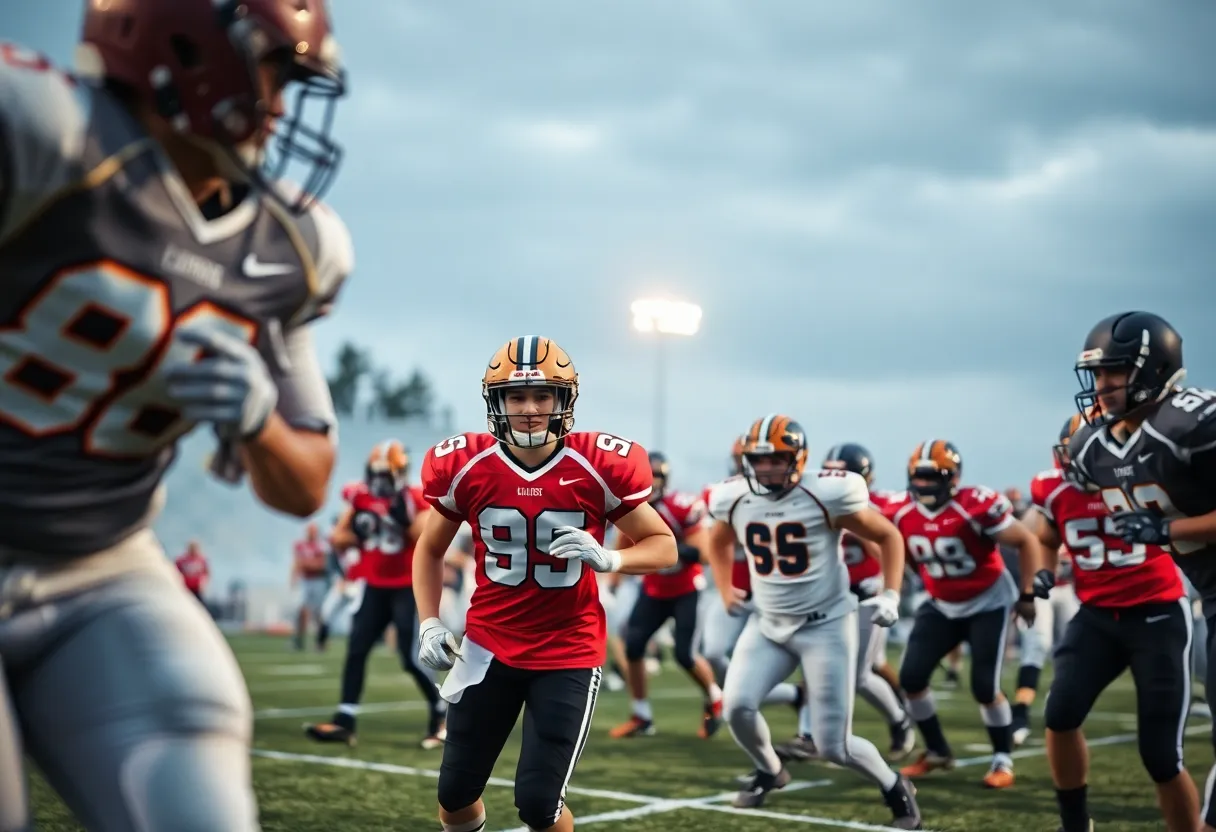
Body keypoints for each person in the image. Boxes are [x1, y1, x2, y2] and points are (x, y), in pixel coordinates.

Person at [0, 1, 351, 828]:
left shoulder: (291, 245)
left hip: (101, 565)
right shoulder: (44, 131)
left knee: (197, 770)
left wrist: (259, 420)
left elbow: (303, 484)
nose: (280, 105)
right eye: (273, 72)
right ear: (187, 49)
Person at [411, 335, 677, 832]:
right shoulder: (467, 465)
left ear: (564, 400)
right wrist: (429, 622)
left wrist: (611, 557)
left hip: (567, 650)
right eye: (516, 396)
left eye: (542, 396)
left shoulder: (596, 464)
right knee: (453, 793)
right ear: (497, 403)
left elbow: (664, 544)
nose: (530, 408)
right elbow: (429, 549)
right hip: (487, 644)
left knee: (538, 802)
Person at [704, 414, 921, 828]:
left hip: (825, 626)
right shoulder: (733, 497)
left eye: (777, 459)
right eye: (758, 459)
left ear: (799, 458)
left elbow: (888, 535)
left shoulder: (826, 494)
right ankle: (770, 769)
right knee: (736, 708)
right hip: (768, 623)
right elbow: (717, 538)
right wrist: (724, 587)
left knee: (833, 745)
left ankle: (895, 787)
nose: (766, 469)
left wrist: (892, 593)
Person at [1066, 311, 1214, 829]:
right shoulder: (1092, 446)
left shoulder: (1192, 422)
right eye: (1098, 374)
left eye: (1116, 371)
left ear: (1155, 368)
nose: (1102, 386)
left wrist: (1167, 533)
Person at [1026, 410, 1198, 832]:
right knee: (1060, 715)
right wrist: (1045, 568)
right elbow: (1047, 536)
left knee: (1161, 756)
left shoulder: (1144, 477)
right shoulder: (1051, 488)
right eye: (1070, 453)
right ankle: (1074, 823)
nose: (1074, 462)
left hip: (1156, 613)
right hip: (1096, 615)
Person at [890, 440, 1048, 789]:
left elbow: (1027, 542)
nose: (926, 484)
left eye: (934, 476)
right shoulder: (901, 511)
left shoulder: (974, 505)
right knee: (912, 679)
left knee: (984, 687)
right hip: (942, 603)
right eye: (920, 476)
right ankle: (936, 751)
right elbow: (898, 550)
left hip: (988, 602)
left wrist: (1027, 594)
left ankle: (1002, 759)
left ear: (953, 478)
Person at [305, 440, 446, 749]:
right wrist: (358, 531)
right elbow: (337, 539)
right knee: (357, 648)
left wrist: (403, 519)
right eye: (376, 473)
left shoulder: (415, 498)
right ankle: (345, 721)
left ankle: (440, 714)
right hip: (374, 584)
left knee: (410, 658)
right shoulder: (360, 497)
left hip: (407, 585)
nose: (380, 480)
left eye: (387, 473)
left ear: (400, 472)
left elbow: (424, 536)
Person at [609, 451, 724, 739]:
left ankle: (714, 697)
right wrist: (614, 581)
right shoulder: (631, 508)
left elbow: (704, 555)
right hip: (654, 589)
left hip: (685, 589)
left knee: (685, 654)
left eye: (655, 477)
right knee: (634, 646)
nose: (649, 482)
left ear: (664, 479)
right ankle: (641, 715)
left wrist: (666, 546)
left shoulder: (681, 506)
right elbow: (623, 547)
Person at [819, 443, 915, 760]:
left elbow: (884, 549)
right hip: (832, 594)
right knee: (829, 666)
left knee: (858, 674)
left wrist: (853, 524)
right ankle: (814, 735)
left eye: (841, 474)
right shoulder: (815, 501)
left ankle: (899, 720)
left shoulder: (876, 506)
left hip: (870, 591)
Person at [1010, 416, 1083, 747]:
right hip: (1048, 585)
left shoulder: (1118, 489)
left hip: (1075, 589)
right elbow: (1024, 537)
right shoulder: (1051, 490)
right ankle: (1021, 713)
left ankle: (1060, 706)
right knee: (1036, 646)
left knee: (1073, 650)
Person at [290, 523, 331, 651]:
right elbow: (296, 563)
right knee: (302, 610)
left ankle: (321, 641)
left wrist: (306, 564)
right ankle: (299, 640)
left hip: (319, 581)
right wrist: (294, 577)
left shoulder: (322, 546)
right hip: (305, 580)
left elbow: (322, 565)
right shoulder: (300, 545)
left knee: (318, 613)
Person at [175, 540, 211, 605]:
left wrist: (204, 583)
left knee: (200, 605)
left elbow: (207, 573)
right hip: (185, 587)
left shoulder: (202, 560)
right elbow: (175, 572)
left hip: (197, 588)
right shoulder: (181, 560)